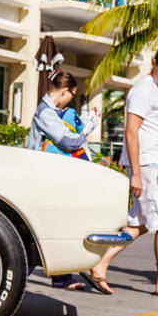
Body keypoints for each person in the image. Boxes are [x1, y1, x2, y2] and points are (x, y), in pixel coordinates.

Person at [83, 46, 158, 297]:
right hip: (148, 165)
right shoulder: (144, 90)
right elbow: (131, 131)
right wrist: (136, 174)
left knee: (141, 222)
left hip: (153, 163)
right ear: (154, 62)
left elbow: (151, 129)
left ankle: (100, 264)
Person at [28, 71, 101, 290]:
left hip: (48, 177)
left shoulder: (52, 112)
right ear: (64, 91)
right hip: (43, 177)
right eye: (72, 95)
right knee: (41, 231)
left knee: (54, 227)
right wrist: (88, 126)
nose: (71, 100)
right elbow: (68, 141)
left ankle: (61, 278)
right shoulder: (46, 113)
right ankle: (17, 277)